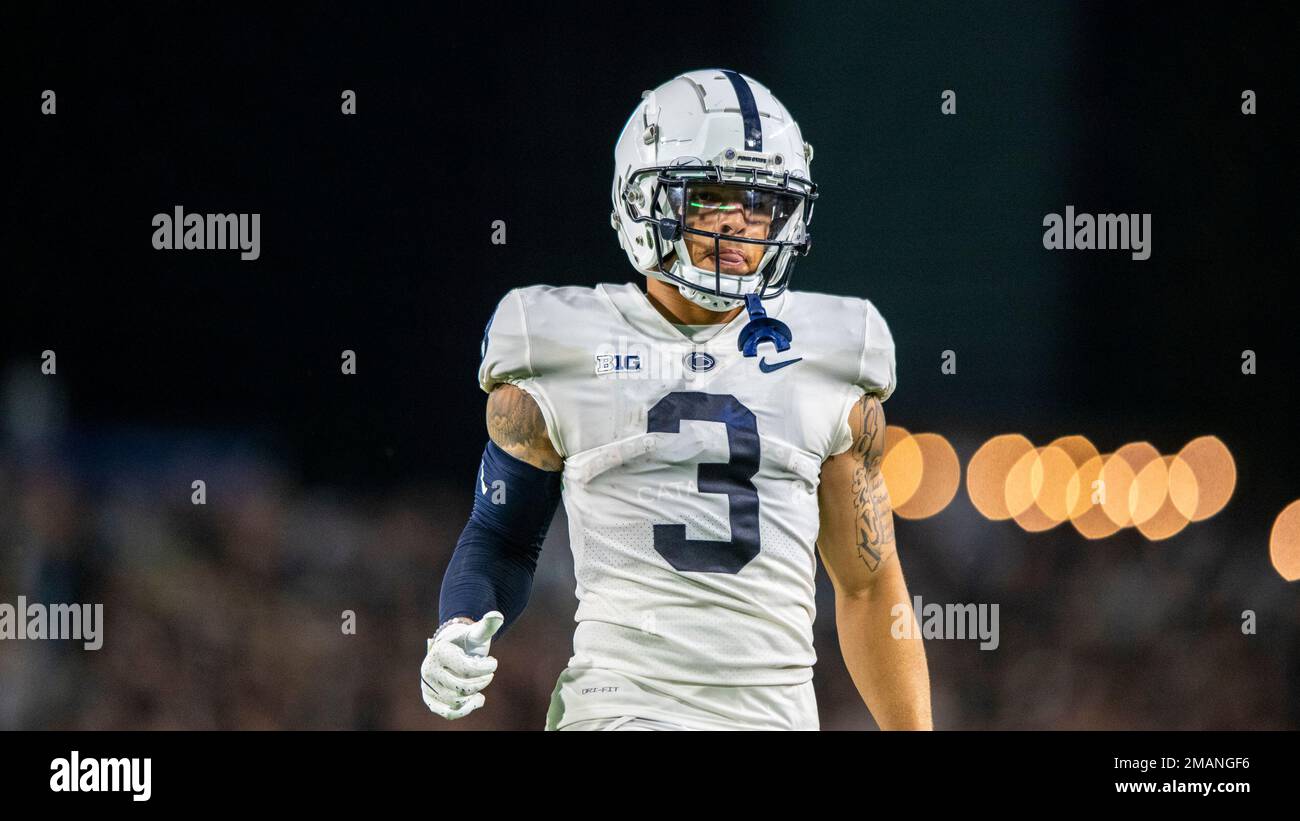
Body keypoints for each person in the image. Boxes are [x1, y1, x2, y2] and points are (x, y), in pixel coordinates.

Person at [422, 69, 931, 730]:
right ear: (644, 201)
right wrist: (459, 620)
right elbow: (501, 536)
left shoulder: (832, 350)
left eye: (760, 202)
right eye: (713, 197)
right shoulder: (557, 339)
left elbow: (868, 582)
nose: (739, 225)